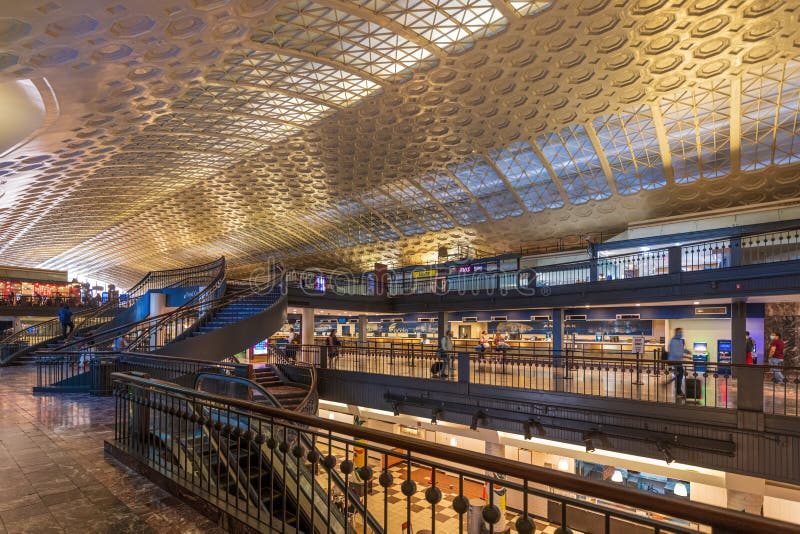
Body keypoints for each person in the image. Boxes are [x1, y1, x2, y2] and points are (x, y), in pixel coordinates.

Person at [667, 328, 691, 398]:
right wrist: (686, 357)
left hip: (679, 361)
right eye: (679, 332)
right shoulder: (673, 341)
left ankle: (678, 390)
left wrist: (687, 351)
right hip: (675, 361)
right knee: (679, 375)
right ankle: (678, 392)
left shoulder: (679, 341)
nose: (681, 334)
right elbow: (675, 353)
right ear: (676, 333)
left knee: (679, 375)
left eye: (681, 332)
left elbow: (681, 349)